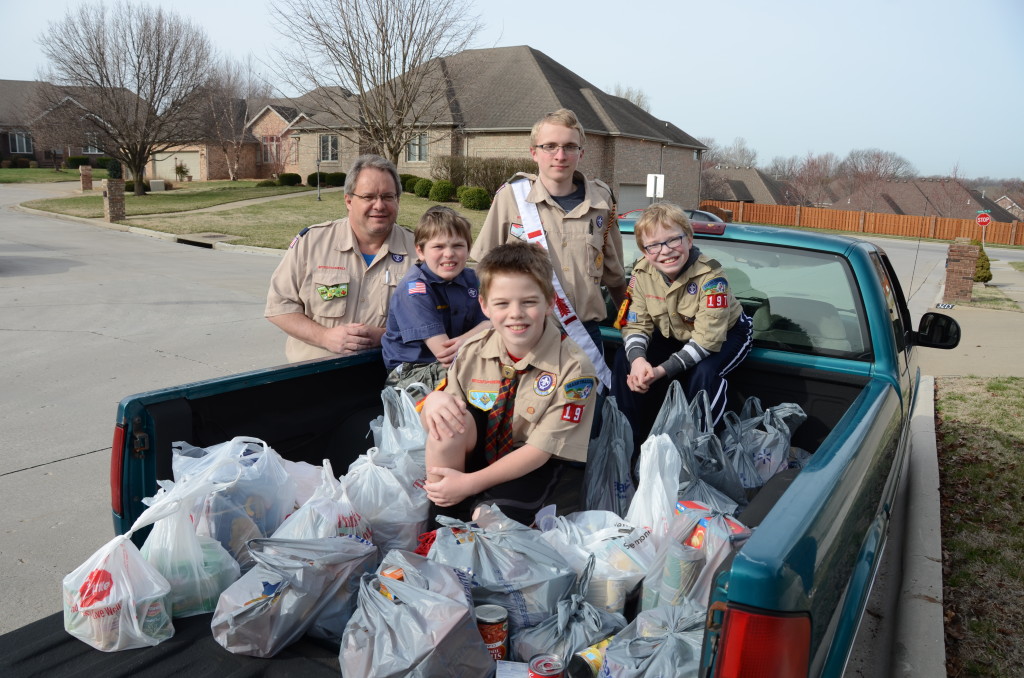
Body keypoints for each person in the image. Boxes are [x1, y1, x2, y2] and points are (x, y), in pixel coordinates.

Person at [419, 242, 598, 525]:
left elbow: (539, 452)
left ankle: (475, 519)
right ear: (485, 306)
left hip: (530, 463)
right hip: (480, 452)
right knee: (444, 423)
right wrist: (433, 402)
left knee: (488, 520)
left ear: (550, 302)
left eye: (528, 302)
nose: (516, 313)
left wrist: (469, 484)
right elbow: (443, 413)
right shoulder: (473, 349)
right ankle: (438, 525)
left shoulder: (575, 369)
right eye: (502, 303)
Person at [471, 108, 627, 388]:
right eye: (550, 146)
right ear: (534, 152)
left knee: (589, 423)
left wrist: (633, 331)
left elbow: (614, 277)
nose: (560, 155)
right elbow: (481, 268)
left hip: (584, 337)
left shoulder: (602, 203)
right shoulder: (512, 198)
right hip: (523, 336)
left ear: (581, 153)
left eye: (569, 147)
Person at [612, 202, 753, 451]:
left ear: (689, 239)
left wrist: (660, 371)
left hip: (727, 334)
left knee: (704, 375)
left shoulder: (712, 277)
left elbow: (707, 340)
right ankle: (629, 444)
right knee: (624, 359)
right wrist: (638, 362)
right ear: (644, 252)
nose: (665, 251)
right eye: (653, 245)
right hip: (675, 334)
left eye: (673, 240)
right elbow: (635, 323)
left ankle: (697, 448)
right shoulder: (642, 273)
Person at [265, 154, 415, 362]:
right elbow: (279, 308)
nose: (379, 205)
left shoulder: (420, 253)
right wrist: (324, 336)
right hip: (313, 375)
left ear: (398, 200)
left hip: (389, 378)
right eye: (369, 197)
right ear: (349, 201)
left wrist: (385, 337)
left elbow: (441, 320)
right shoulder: (312, 243)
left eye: (388, 197)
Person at [381, 205, 490, 392]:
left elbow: (498, 320)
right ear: (421, 251)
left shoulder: (473, 279)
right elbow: (446, 353)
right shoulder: (414, 289)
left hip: (459, 359)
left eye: (458, 245)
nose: (449, 253)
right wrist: (485, 329)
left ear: (468, 248)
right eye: (438, 246)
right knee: (486, 379)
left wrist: (467, 338)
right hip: (411, 374)